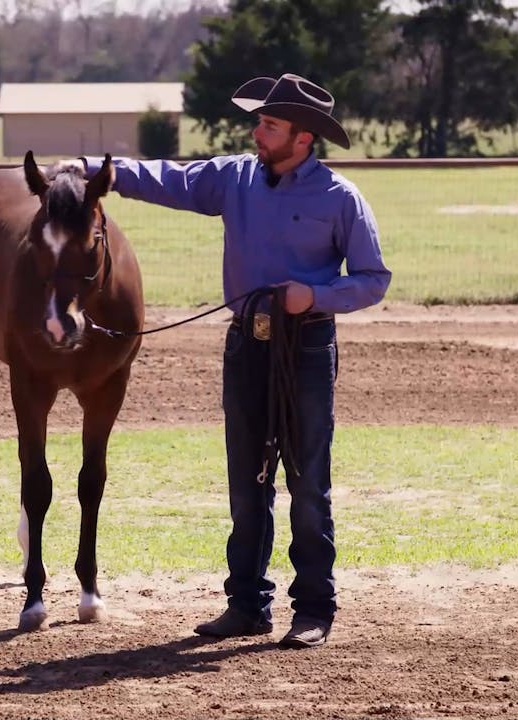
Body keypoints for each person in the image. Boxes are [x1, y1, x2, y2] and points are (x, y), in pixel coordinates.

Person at [84, 73, 390, 649]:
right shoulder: (235, 178)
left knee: (308, 484)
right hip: (246, 345)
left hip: (306, 348)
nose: (257, 132)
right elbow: (172, 179)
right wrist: (100, 171)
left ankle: (314, 609)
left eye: (271, 125)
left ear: (303, 138)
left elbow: (373, 279)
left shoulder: (340, 198)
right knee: (247, 483)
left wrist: (314, 296)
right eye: (260, 121)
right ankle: (247, 605)